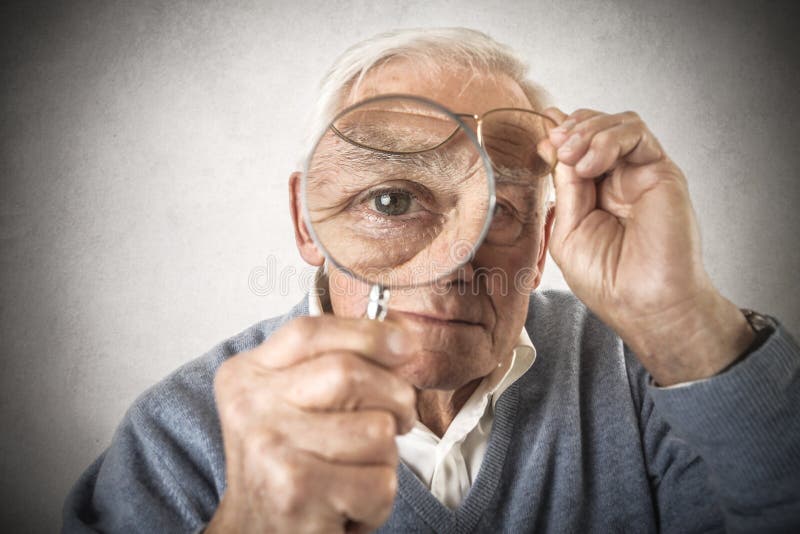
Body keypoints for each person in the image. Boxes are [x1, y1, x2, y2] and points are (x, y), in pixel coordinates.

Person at [62, 28, 800, 533]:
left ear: (544, 242)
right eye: (393, 200)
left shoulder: (648, 375)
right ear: (306, 222)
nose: (454, 261)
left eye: (503, 208)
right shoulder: (184, 435)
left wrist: (681, 322)